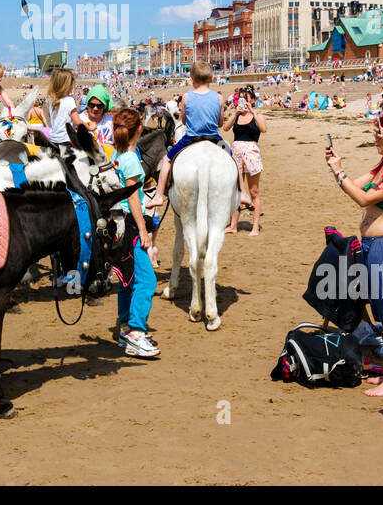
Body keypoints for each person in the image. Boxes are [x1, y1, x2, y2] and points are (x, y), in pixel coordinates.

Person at [327, 113, 383, 397]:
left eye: (380, 132)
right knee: (374, 307)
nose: (374, 137)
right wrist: (336, 168)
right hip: (370, 247)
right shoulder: (382, 166)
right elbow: (354, 185)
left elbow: (363, 198)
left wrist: (340, 175)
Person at [110, 108, 160, 358]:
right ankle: (136, 332)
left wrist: (144, 202)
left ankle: (123, 327)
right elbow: (131, 197)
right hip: (129, 223)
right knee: (147, 280)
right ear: (139, 129)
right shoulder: (130, 159)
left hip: (117, 222)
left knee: (127, 279)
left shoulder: (118, 155)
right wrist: (143, 230)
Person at [144, 61, 223, 211]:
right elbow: (219, 123)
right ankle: (243, 193)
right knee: (232, 159)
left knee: (166, 160)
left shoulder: (186, 97)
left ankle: (159, 195)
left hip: (191, 139)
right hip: (214, 139)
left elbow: (185, 121)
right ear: (212, 78)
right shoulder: (218, 97)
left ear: (192, 80)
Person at [224, 91, 266, 235]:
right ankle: (233, 226)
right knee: (236, 191)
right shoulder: (236, 116)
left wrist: (253, 112)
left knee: (254, 191)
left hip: (252, 154)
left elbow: (263, 129)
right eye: (240, 99)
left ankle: (255, 227)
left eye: (246, 99)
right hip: (236, 154)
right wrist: (235, 114)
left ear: (252, 100)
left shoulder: (258, 116)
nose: (242, 102)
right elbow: (225, 128)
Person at [46, 67, 88, 146]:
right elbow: (78, 122)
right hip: (66, 140)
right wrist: (89, 126)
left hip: (53, 140)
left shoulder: (52, 100)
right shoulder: (69, 100)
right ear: (67, 85)